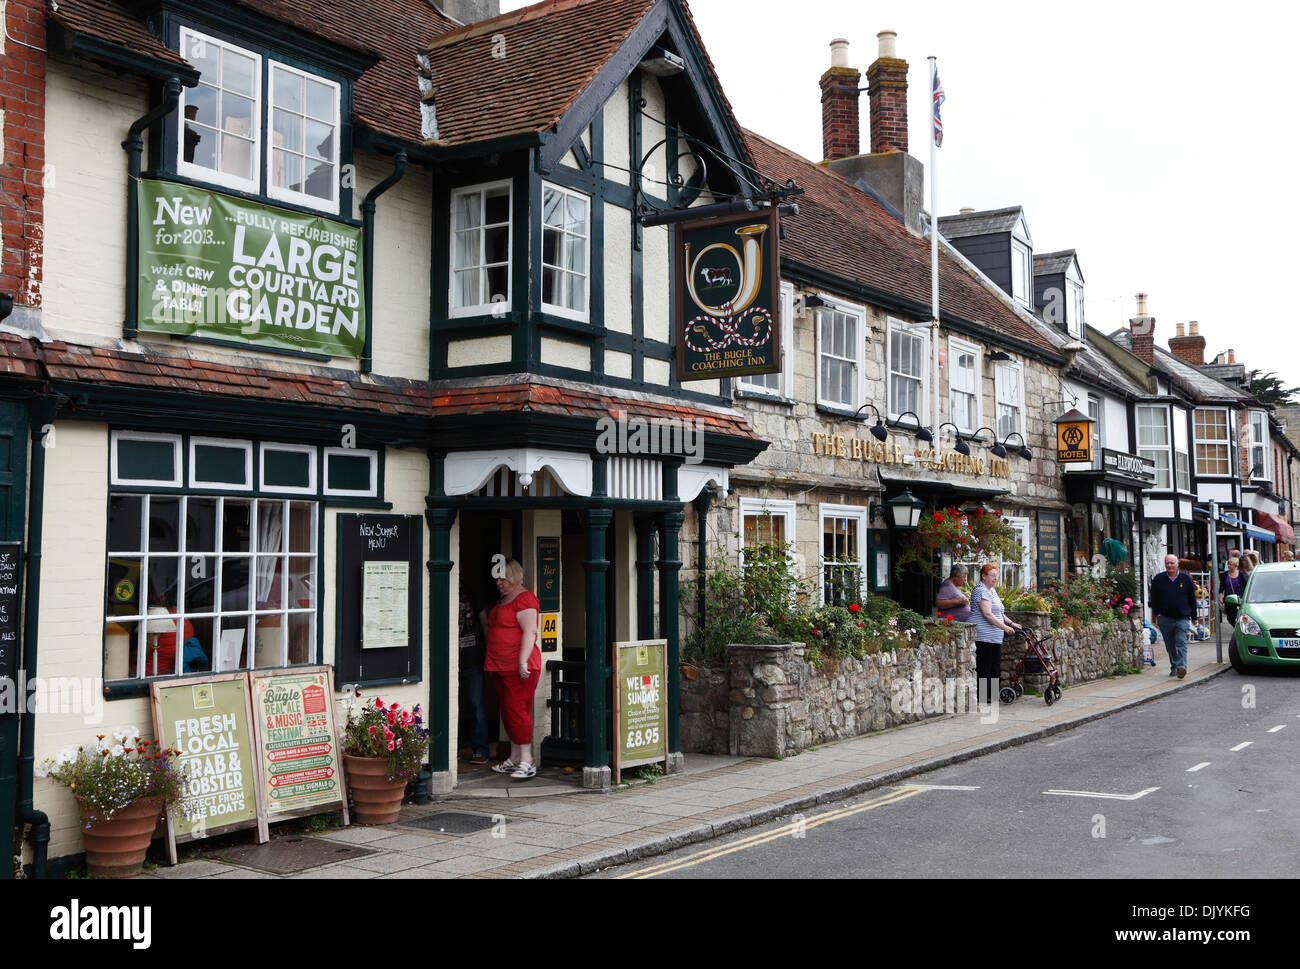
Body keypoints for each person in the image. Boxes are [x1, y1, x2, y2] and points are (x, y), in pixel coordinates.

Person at [485, 559, 542, 781]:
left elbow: (530, 632)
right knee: (508, 711)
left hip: (518, 667)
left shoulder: (525, 598)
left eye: (503, 578)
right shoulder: (503, 599)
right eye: (497, 578)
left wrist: (522, 661)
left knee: (517, 710)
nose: (499, 582)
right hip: (500, 665)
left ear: (515, 577)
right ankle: (516, 756)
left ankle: (528, 760)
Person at [969, 564, 1021, 704]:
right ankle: (983, 697)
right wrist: (1004, 627)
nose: (995, 578)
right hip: (984, 636)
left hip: (995, 637)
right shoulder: (981, 591)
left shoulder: (991, 591)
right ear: (984, 576)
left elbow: (999, 613)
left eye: (996, 576)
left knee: (994, 667)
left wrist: (1011, 624)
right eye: (992, 575)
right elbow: (987, 614)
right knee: (985, 667)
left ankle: (992, 695)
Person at [458, 585, 491, 766]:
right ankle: (452, 749)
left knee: (475, 705)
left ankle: (481, 750)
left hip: (473, 659)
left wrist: (489, 653)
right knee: (450, 706)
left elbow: (485, 624)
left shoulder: (472, 592)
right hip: (449, 660)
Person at [1150, 554, 1197, 679]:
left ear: (1177, 564)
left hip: (1182, 618)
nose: (1169, 565)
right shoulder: (1158, 579)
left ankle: (1182, 666)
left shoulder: (1186, 579)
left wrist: (1194, 616)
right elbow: (1153, 599)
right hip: (1165, 618)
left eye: (1172, 563)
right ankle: (1174, 666)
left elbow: (1192, 599)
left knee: (1181, 642)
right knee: (1170, 645)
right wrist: (1156, 615)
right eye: (1167, 563)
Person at [1219, 557, 1245, 627]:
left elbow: (1246, 586)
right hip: (1229, 600)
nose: (1229, 566)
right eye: (1228, 564)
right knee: (1230, 617)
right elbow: (1221, 588)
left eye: (1231, 564)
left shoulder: (1241, 574)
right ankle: (1236, 628)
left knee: (1239, 616)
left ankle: (1238, 629)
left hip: (1239, 600)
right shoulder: (1224, 575)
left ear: (1235, 565)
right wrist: (1221, 597)